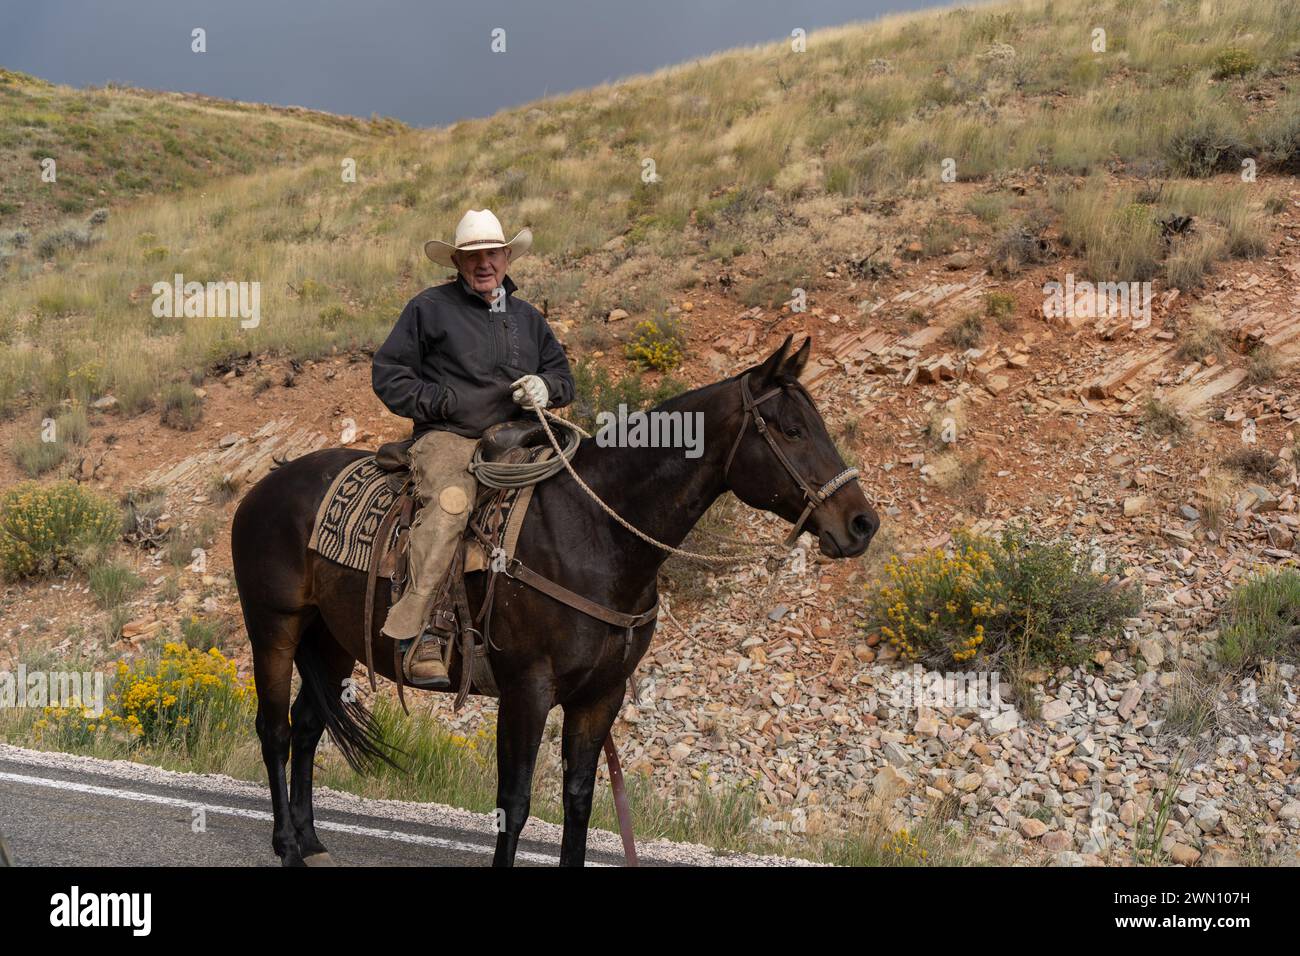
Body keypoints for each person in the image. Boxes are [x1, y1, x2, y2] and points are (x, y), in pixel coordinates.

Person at [371, 209, 575, 687]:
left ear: (507, 257)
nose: (484, 263)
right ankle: (419, 630)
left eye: (492, 253)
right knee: (451, 504)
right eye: (473, 256)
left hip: (521, 437)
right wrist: (441, 401)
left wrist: (545, 388)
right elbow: (389, 374)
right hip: (450, 439)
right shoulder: (428, 308)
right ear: (458, 262)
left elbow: (565, 378)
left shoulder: (528, 318)